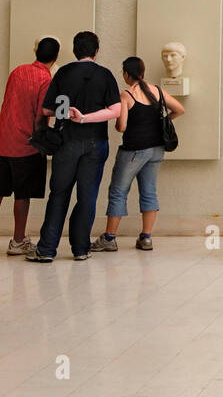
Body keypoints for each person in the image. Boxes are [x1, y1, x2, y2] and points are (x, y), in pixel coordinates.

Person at [26, 31, 121, 262]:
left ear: (74, 50)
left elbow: (48, 110)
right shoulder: (105, 75)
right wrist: (86, 117)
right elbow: (115, 110)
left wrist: (68, 113)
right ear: (96, 51)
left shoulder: (63, 73)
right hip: (96, 142)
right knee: (87, 197)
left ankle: (47, 249)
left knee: (59, 194)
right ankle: (81, 248)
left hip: (66, 141)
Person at [0, 37, 59, 255]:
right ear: (56, 57)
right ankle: (18, 240)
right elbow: (41, 115)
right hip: (26, 145)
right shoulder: (45, 79)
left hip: (3, 140)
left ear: (36, 52)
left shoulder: (17, 71)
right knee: (22, 194)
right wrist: (43, 139)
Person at [91, 56, 183, 252]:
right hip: (156, 150)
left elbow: (122, 127)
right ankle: (146, 237)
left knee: (118, 191)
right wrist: (164, 121)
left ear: (126, 74)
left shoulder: (126, 95)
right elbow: (179, 109)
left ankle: (109, 238)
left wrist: (117, 122)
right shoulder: (156, 91)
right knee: (149, 191)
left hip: (133, 151)